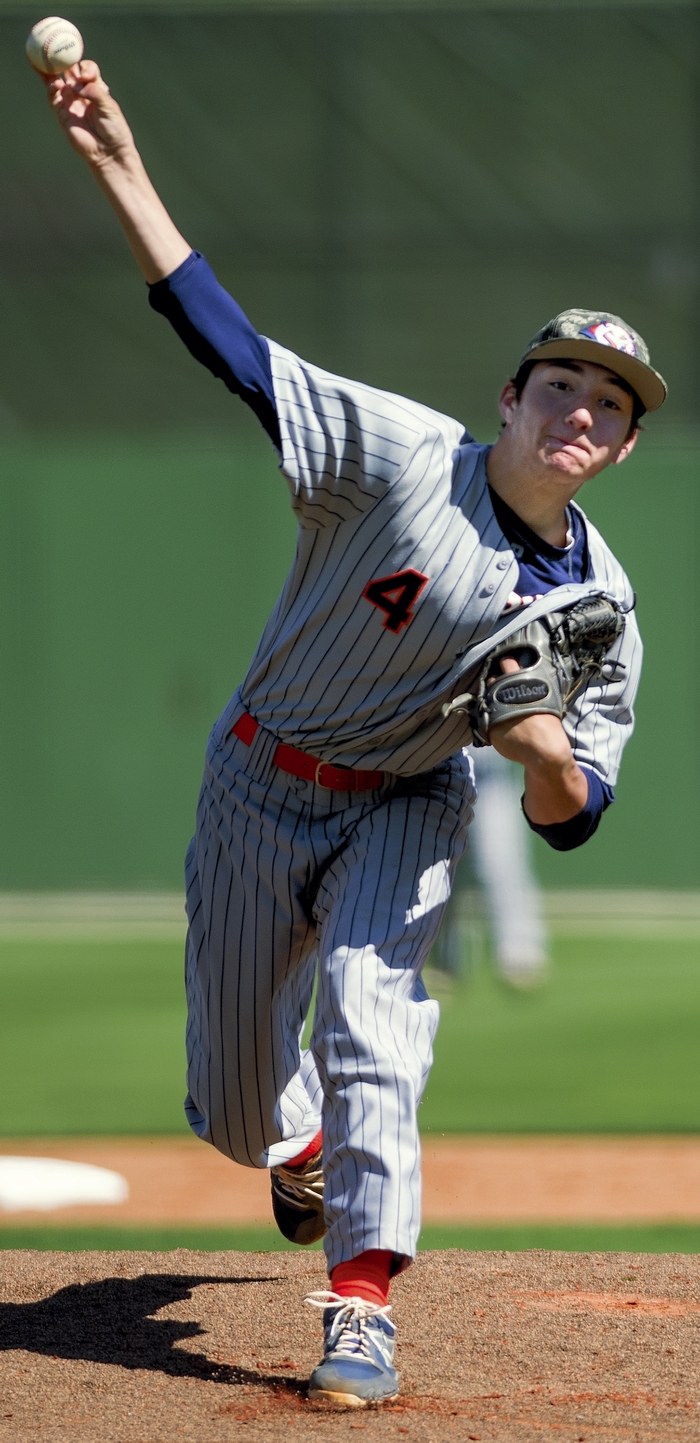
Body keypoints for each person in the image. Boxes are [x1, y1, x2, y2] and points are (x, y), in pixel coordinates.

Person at [39, 57, 664, 1409]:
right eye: (562, 384)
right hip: (263, 781)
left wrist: (546, 752)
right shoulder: (395, 453)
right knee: (235, 1093)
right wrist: (118, 166)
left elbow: (577, 813)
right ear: (512, 399)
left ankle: (363, 1298)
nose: (582, 411)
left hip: (411, 800)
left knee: (382, 1029)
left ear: (619, 450)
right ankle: (296, 1138)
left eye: (610, 405)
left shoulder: (603, 609)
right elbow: (228, 339)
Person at [435, 746, 549, 987]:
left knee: (501, 861)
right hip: (436, 773)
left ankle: (521, 950)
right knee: (439, 870)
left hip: (489, 774)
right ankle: (444, 959)